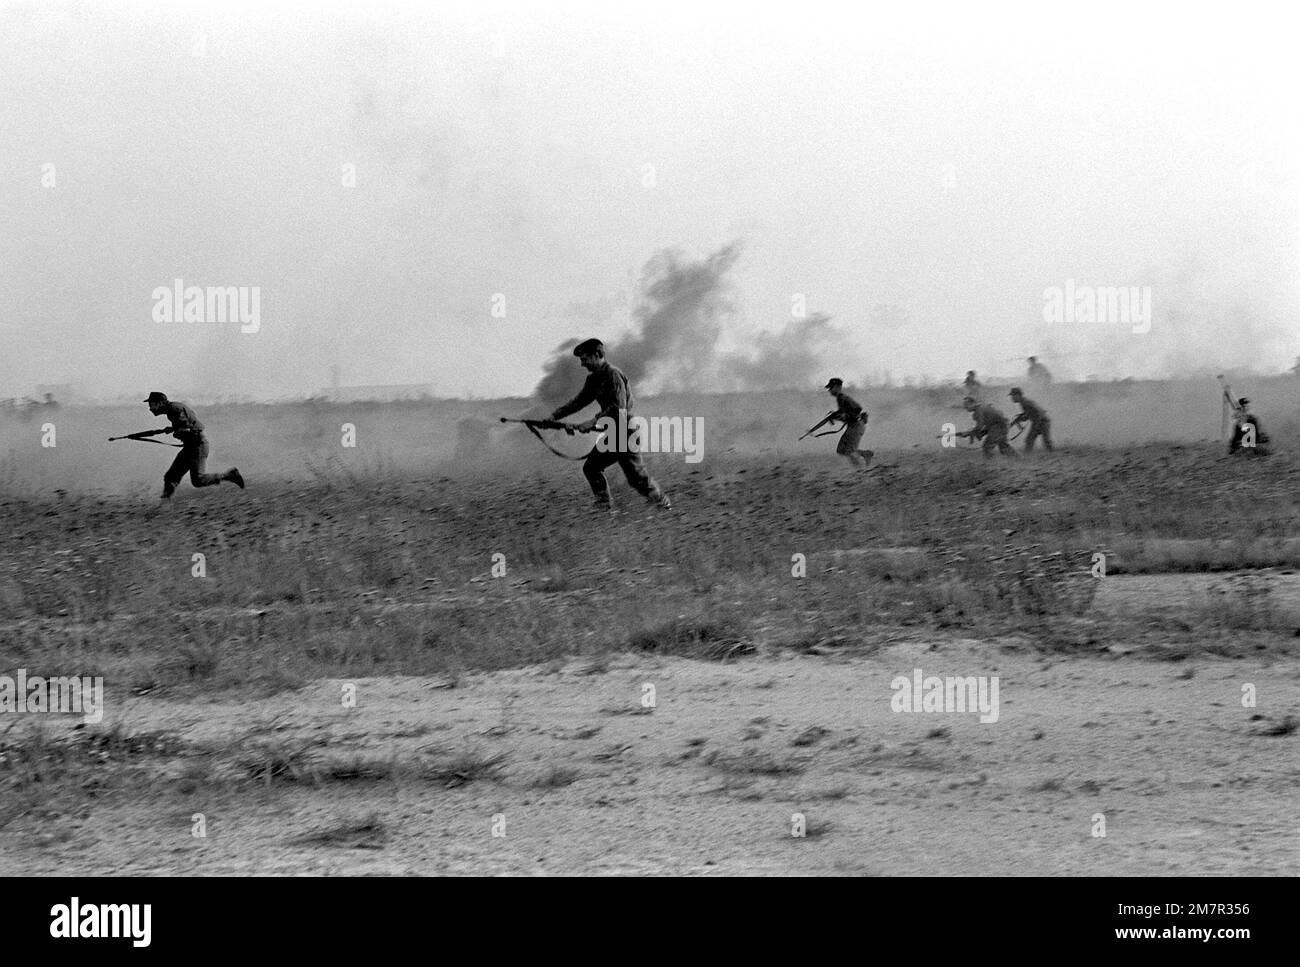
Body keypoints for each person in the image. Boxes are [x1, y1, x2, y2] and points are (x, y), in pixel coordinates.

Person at [546, 339, 671, 511]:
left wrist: (592, 422)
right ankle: (603, 508)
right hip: (613, 434)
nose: (582, 364)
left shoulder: (613, 375)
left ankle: (664, 506)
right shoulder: (593, 380)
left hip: (626, 433)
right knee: (591, 468)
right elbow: (578, 402)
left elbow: (619, 409)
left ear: (598, 355)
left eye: (585, 359)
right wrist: (554, 416)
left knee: (637, 479)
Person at [144, 392, 244, 498]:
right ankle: (165, 500)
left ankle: (229, 475)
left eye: (152, 405)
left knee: (198, 480)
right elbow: (186, 424)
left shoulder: (174, 409)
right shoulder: (172, 409)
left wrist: (176, 432)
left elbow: (186, 428)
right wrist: (173, 428)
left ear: (160, 403)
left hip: (197, 445)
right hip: (190, 446)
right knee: (171, 476)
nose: (150, 408)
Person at [823, 378, 873, 469]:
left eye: (831, 388)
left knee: (849, 451)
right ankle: (866, 454)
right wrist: (835, 415)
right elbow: (845, 414)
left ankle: (859, 470)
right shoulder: (840, 398)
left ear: (838, 387)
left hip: (856, 425)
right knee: (841, 450)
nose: (829, 390)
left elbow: (858, 409)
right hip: (852, 426)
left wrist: (841, 415)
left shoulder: (842, 397)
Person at [1008, 387, 1053, 452]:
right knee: (1029, 440)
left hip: (1043, 421)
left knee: (1046, 441)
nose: (1012, 398)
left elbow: (1038, 412)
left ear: (1018, 395)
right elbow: (1030, 413)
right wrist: (1023, 418)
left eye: (1013, 396)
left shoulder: (1025, 402)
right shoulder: (1023, 402)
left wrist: (1036, 425)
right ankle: (1028, 456)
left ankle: (1053, 455)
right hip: (1039, 421)